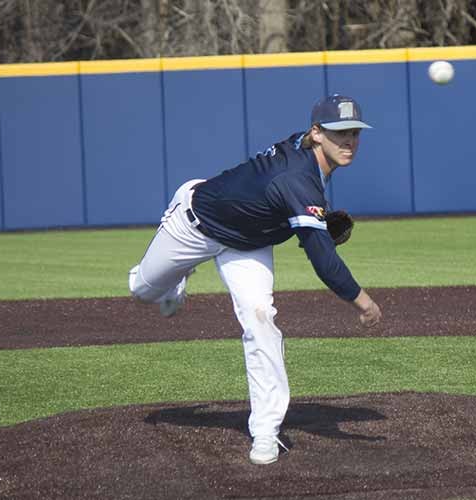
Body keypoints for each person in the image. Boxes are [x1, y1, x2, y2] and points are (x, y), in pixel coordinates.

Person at [128, 94, 383, 465]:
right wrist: (362, 300)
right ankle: (175, 280)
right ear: (316, 133)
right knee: (142, 290)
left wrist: (315, 221)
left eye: (355, 133)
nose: (349, 141)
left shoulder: (305, 153)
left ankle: (265, 431)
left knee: (261, 318)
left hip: (248, 245)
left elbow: (282, 196)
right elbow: (322, 259)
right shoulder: (297, 177)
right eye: (339, 132)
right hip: (195, 224)